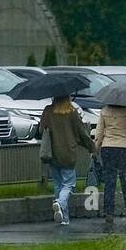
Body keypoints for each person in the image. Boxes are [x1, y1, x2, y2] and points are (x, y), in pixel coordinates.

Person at [40, 95, 96, 227]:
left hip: (52, 153)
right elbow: (82, 133)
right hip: (68, 154)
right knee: (69, 185)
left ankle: (64, 218)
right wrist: (92, 148)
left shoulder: (48, 110)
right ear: (67, 98)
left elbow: (41, 130)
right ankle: (59, 203)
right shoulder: (72, 112)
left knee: (58, 184)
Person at [95, 103, 126, 230]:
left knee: (110, 182)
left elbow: (99, 134)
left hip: (108, 148)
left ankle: (109, 213)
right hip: (125, 149)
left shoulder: (104, 111)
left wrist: (95, 150)